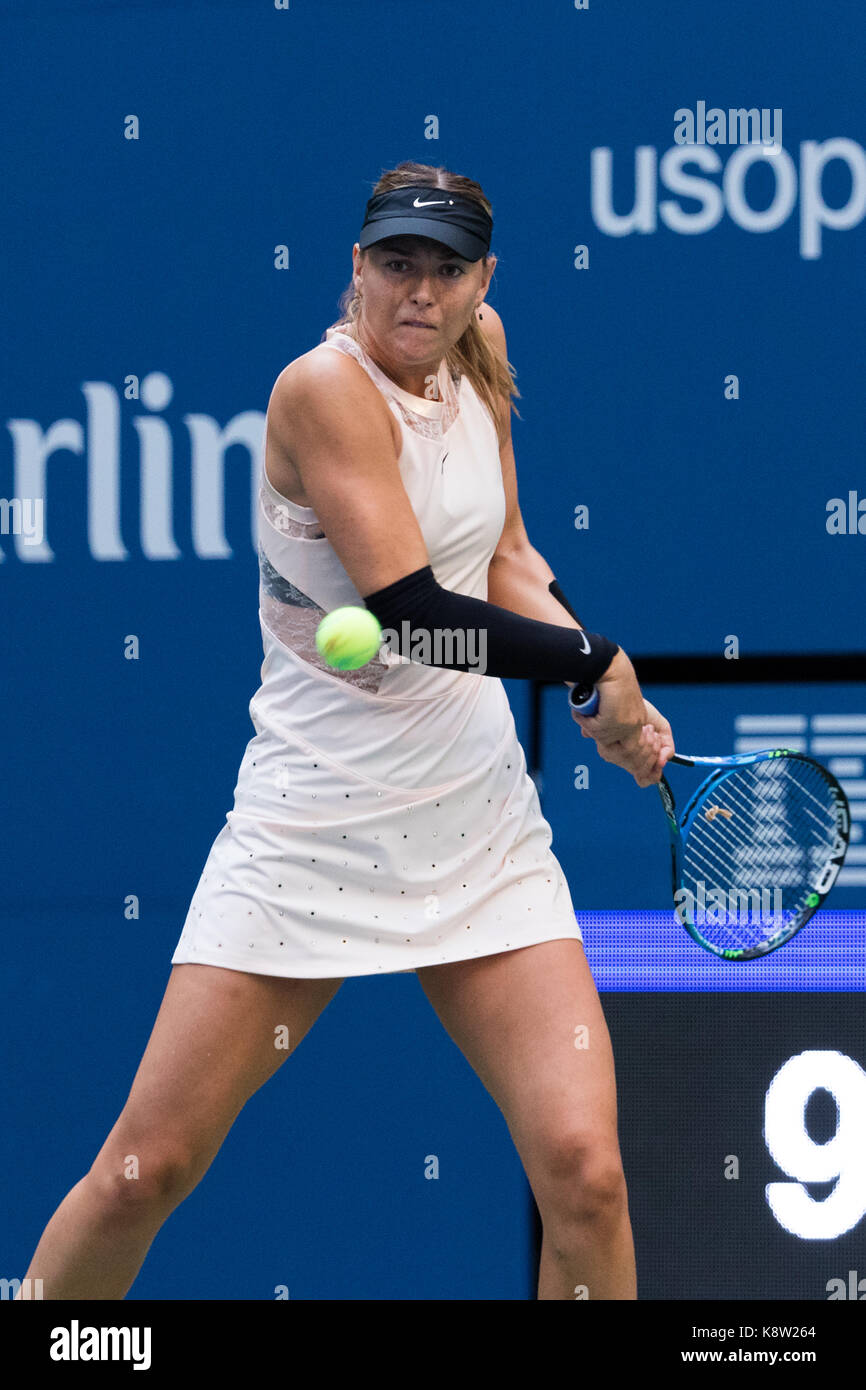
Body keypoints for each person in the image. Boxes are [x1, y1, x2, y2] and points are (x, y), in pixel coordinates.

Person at [17, 161, 673, 1301]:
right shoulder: (318, 390)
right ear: (355, 265)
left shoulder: (480, 350)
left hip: (477, 824)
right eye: (395, 261)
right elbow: (411, 614)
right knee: (143, 1169)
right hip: (309, 827)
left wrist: (591, 684)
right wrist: (589, 663)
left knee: (584, 1174)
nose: (418, 291)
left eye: (446, 267)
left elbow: (505, 558)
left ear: (484, 280)